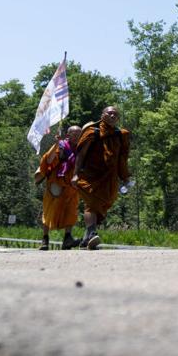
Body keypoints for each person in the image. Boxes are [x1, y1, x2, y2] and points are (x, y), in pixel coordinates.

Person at [72, 106, 132, 250]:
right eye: (109, 113)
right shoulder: (92, 132)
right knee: (92, 204)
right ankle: (92, 233)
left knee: (102, 205)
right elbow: (81, 154)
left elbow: (122, 158)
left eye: (115, 114)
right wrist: (75, 174)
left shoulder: (121, 135)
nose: (112, 116)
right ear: (102, 115)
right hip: (90, 177)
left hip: (109, 179)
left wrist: (125, 177)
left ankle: (86, 239)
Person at [34, 126, 82, 250]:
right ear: (68, 135)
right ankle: (45, 239)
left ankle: (67, 238)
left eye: (79, 134)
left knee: (71, 211)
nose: (77, 136)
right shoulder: (61, 145)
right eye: (74, 133)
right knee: (50, 210)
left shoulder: (81, 148)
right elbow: (48, 161)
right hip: (56, 183)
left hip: (72, 184)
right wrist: (56, 144)